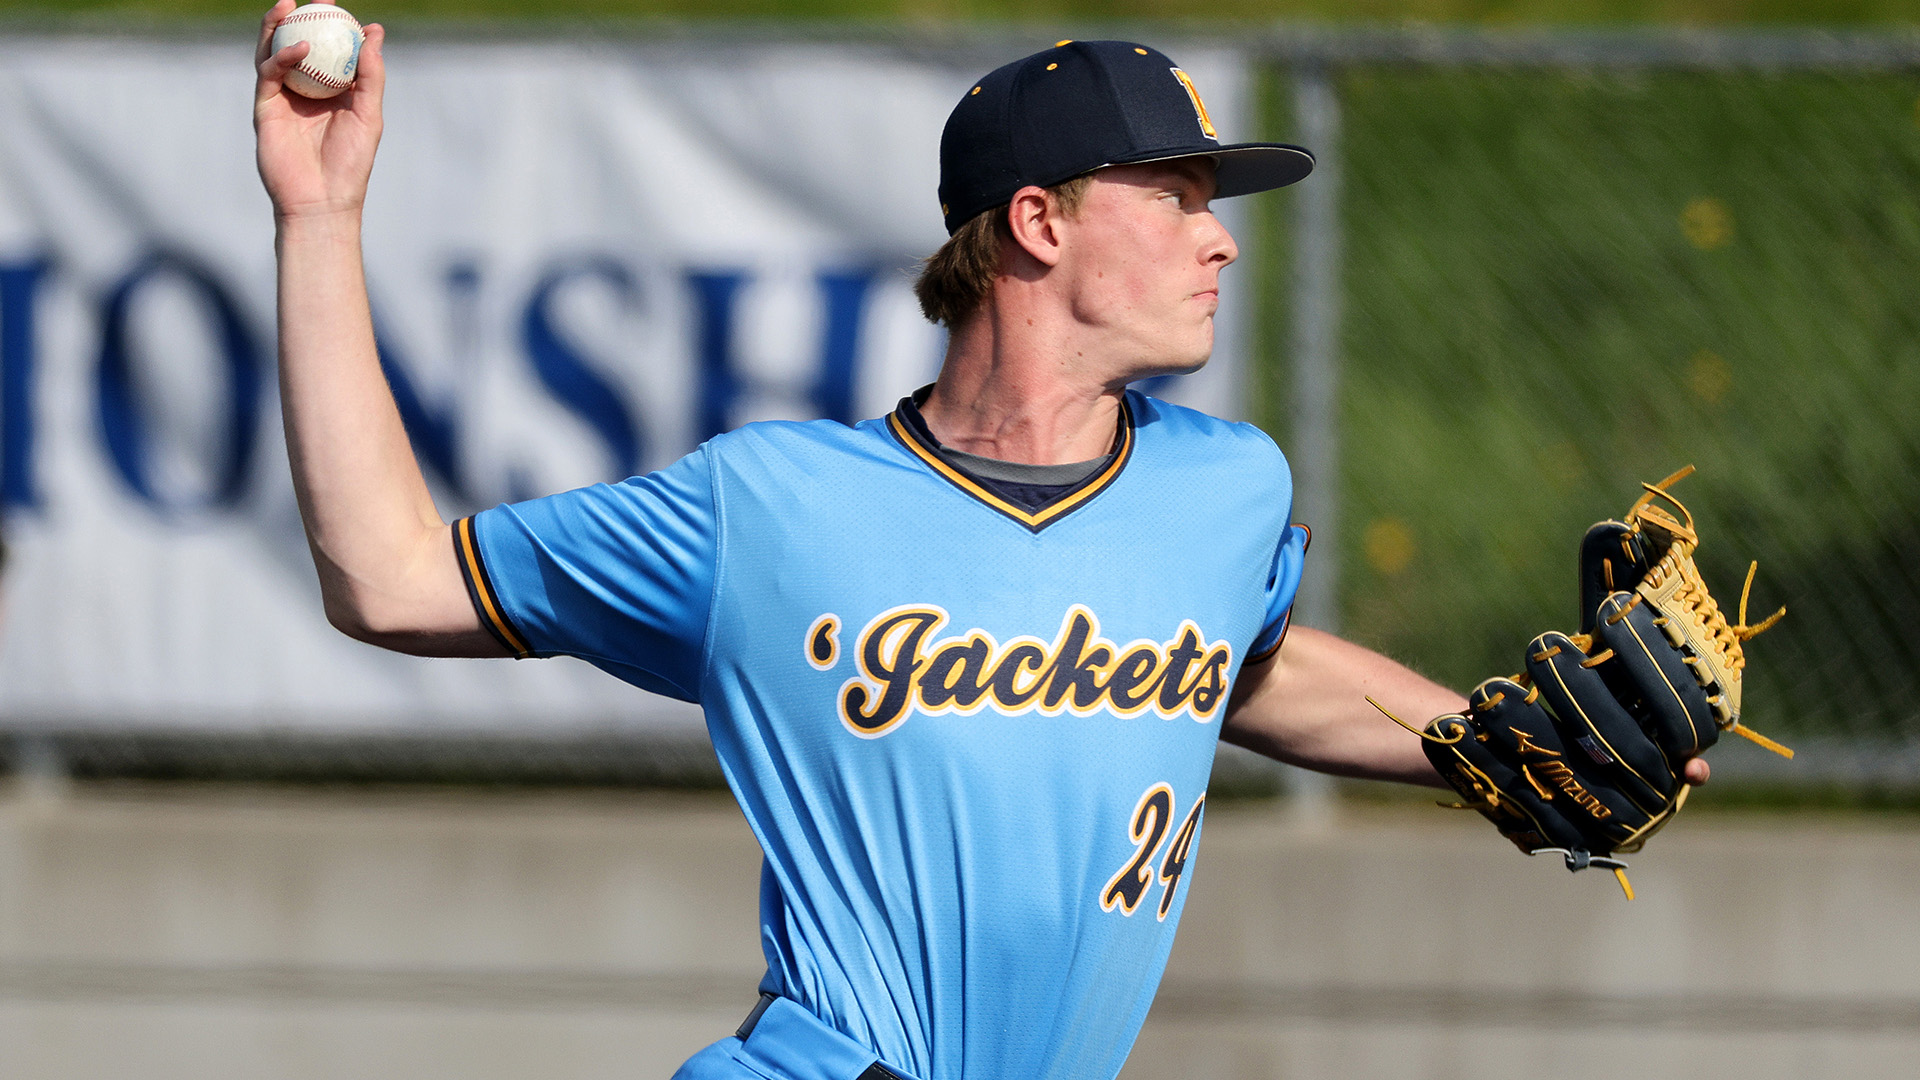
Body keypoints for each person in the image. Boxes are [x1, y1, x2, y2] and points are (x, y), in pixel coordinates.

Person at [256, 9, 1709, 1080]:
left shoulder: (1225, 491)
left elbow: (1231, 667)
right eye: (1181, 198)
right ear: (1037, 223)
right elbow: (387, 576)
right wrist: (321, 216)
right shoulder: (768, 508)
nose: (1224, 240)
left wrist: (1501, 743)